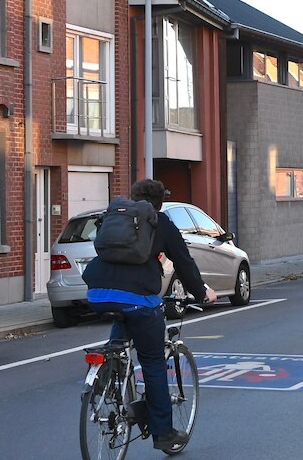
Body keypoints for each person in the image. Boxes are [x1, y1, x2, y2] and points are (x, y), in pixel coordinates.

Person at [82, 179, 217, 453]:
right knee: (153, 361)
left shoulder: (116, 218)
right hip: (138, 299)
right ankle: (164, 434)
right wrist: (201, 291)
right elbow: (183, 262)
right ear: (159, 203)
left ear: (133, 197)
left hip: (98, 292)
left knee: (121, 336)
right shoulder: (159, 221)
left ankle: (105, 380)